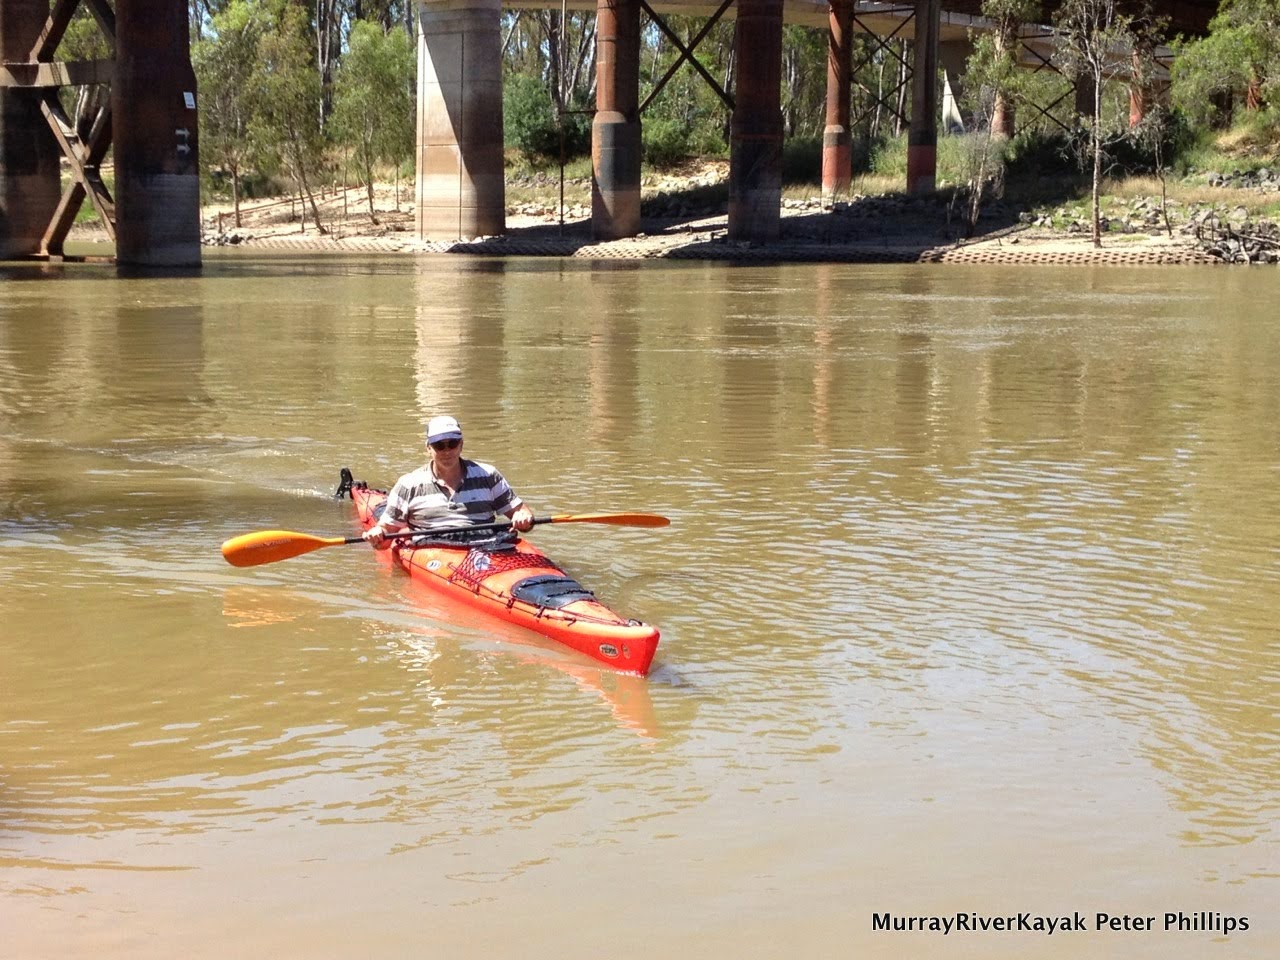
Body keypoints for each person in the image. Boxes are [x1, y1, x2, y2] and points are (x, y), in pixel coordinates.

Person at [363, 415, 534, 549]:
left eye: (452, 444)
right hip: (433, 553)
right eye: (439, 445)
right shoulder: (409, 484)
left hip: (485, 547)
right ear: (428, 448)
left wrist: (523, 518)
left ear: (461, 444)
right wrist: (378, 535)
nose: (447, 451)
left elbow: (523, 514)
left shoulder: (488, 475)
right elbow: (385, 539)